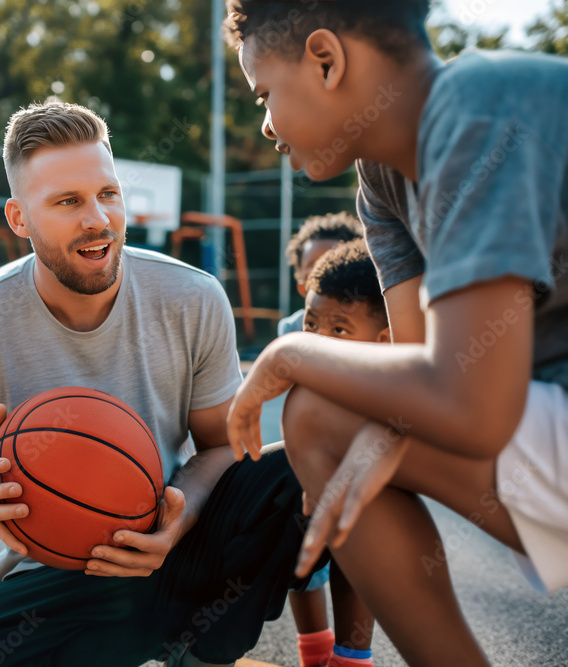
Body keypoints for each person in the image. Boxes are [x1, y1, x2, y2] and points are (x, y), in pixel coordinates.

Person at [0, 100, 326, 667]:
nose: (97, 219)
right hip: (63, 572)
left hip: (181, 545)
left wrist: (178, 518)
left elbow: (222, 447)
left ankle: (207, 646)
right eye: (67, 202)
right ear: (18, 218)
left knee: (304, 465)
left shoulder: (192, 296)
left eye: (107, 194)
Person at [224, 2, 568, 665]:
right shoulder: (381, 178)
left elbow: (469, 407)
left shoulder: (476, 107)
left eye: (264, 94)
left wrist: (291, 350)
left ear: (326, 60)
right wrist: (382, 426)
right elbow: (414, 368)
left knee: (319, 413)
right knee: (331, 419)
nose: (265, 124)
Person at [293, 240, 388, 667]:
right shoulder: (303, 364)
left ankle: (352, 659)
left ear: (383, 341)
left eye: (339, 329)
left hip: (366, 499)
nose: (320, 340)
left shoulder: (386, 383)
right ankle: (314, 651)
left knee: (356, 548)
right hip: (312, 487)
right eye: (311, 325)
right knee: (304, 559)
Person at [278, 213, 363, 336]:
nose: (324, 281)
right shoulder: (292, 329)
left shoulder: (371, 323)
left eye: (334, 270)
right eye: (313, 276)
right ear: (301, 287)